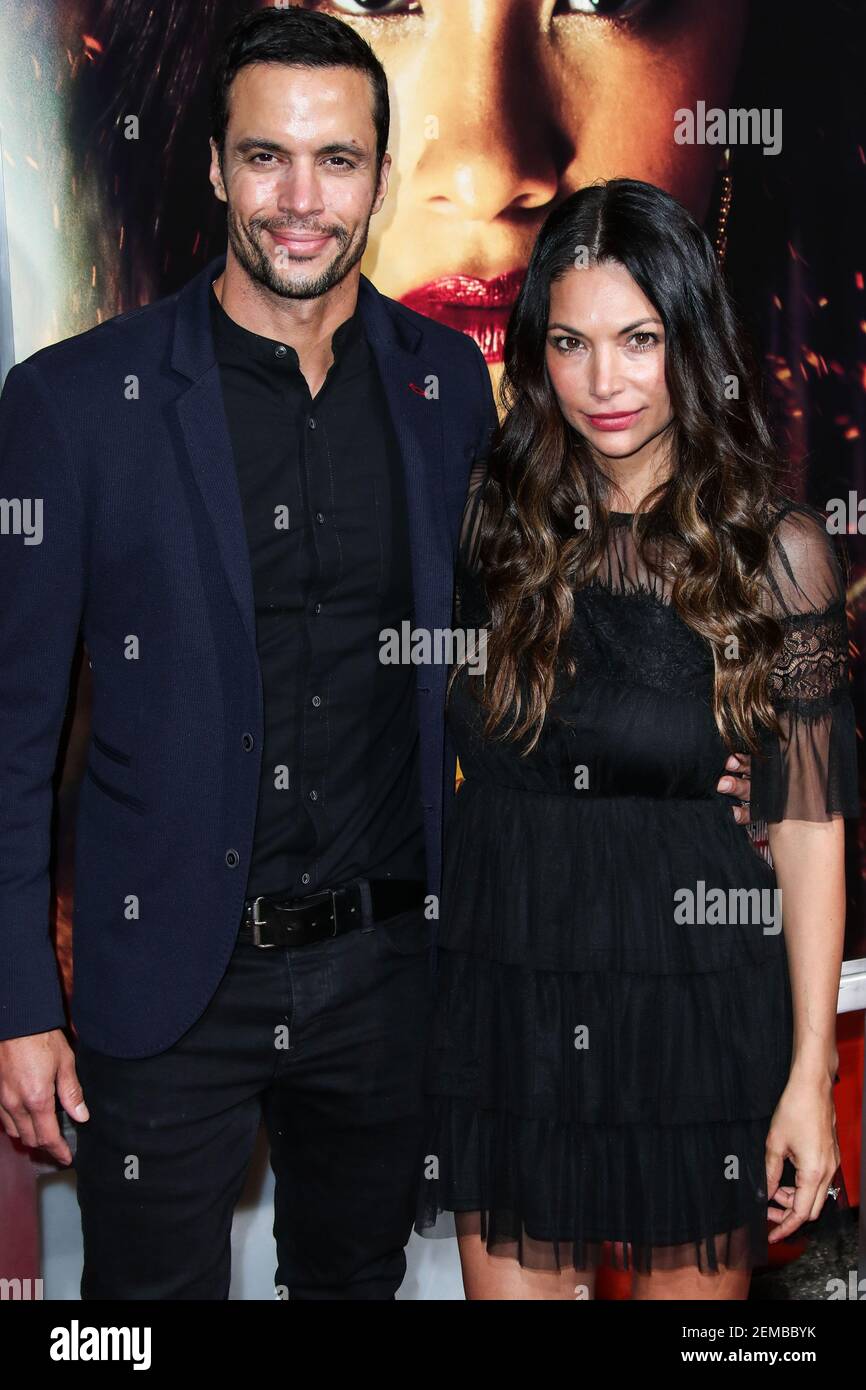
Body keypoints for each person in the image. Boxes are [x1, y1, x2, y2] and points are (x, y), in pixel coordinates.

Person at [0, 10, 752, 1299]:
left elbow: (524, 632)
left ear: (379, 178)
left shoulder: (441, 389)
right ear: (216, 167)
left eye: (336, 161)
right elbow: (10, 740)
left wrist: (686, 759)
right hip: (170, 980)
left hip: (384, 974)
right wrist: (19, 1001)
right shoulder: (75, 404)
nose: (302, 201)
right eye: (267, 159)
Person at [415, 178, 856, 1300]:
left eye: (636, 339)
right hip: (509, 989)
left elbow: (805, 821)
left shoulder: (775, 550)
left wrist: (808, 1072)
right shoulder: (487, 522)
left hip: (692, 1002)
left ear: (691, 343)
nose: (601, 381)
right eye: (569, 341)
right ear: (534, 350)